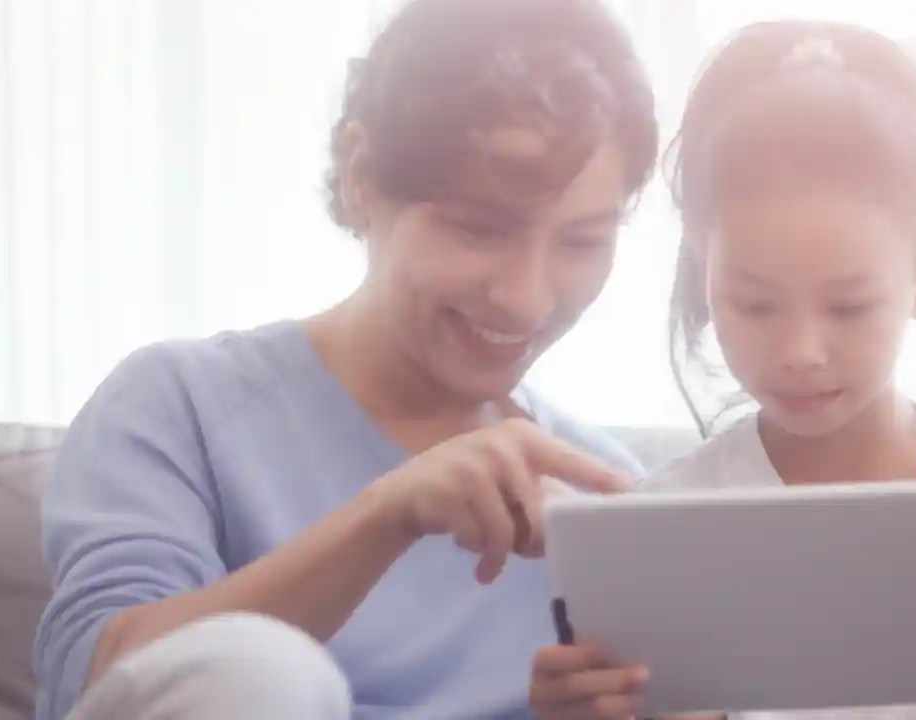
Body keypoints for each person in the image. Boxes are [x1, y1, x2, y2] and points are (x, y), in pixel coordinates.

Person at [33, 0, 659, 717]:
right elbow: (104, 687)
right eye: (481, 229)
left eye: (581, 242)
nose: (525, 299)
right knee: (259, 671)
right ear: (362, 174)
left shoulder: (602, 501)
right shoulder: (181, 405)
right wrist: (386, 516)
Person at [529, 21, 916, 720]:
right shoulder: (658, 527)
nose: (799, 351)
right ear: (702, 266)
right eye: (753, 304)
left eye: (847, 306)